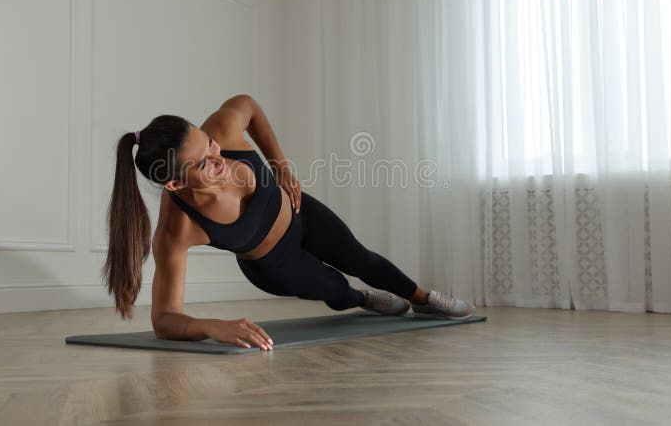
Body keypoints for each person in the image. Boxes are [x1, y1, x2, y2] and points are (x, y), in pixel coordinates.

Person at [103, 94, 475, 351]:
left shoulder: (222, 130)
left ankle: (423, 299)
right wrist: (212, 326)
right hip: (274, 264)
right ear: (174, 183)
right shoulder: (178, 227)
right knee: (336, 288)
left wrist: (279, 164)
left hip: (299, 212)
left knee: (361, 258)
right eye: (203, 163)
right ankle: (363, 298)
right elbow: (165, 319)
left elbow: (247, 105)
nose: (217, 157)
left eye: (210, 144)